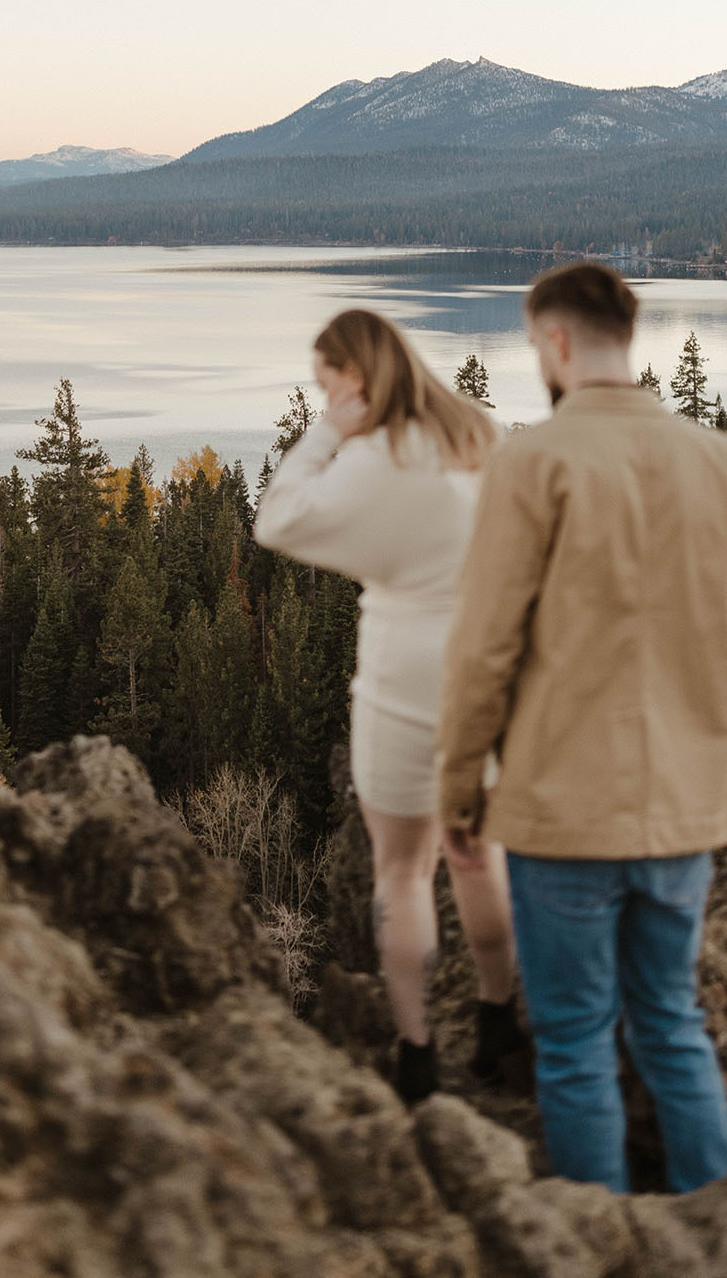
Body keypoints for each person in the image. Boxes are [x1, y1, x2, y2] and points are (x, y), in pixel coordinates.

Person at [437, 262, 727, 1194]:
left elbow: (483, 648)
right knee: (671, 1023)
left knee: (571, 1042)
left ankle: (596, 1236)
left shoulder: (533, 461)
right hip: (684, 806)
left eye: (533, 346)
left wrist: (458, 788)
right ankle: (721, 1235)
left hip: (562, 813)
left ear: (555, 342)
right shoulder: (717, 460)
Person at [254, 307, 525, 1104]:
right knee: (478, 855)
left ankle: (413, 1054)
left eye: (327, 384)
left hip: (401, 685)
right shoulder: (478, 437)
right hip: (483, 679)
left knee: (402, 872)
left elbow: (276, 521)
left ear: (357, 380)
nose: (324, 397)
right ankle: (498, 1021)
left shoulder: (371, 459)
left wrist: (321, 434)